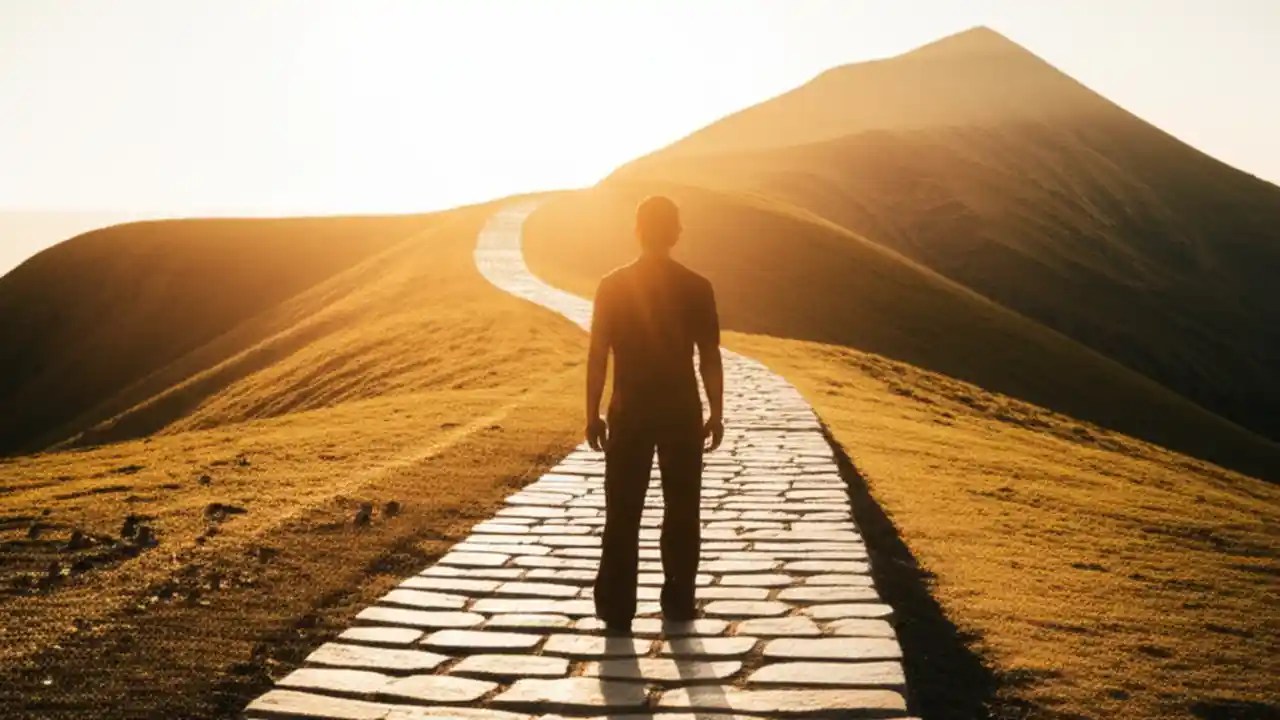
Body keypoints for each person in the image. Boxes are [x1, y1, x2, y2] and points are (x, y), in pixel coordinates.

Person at [585, 195, 724, 635]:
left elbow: (596, 355)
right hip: (681, 410)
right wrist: (716, 412)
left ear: (637, 230)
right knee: (682, 508)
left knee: (622, 510)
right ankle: (679, 600)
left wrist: (592, 414)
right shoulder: (697, 286)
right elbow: (710, 356)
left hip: (629, 410)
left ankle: (616, 606)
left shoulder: (612, 285)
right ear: (677, 233)